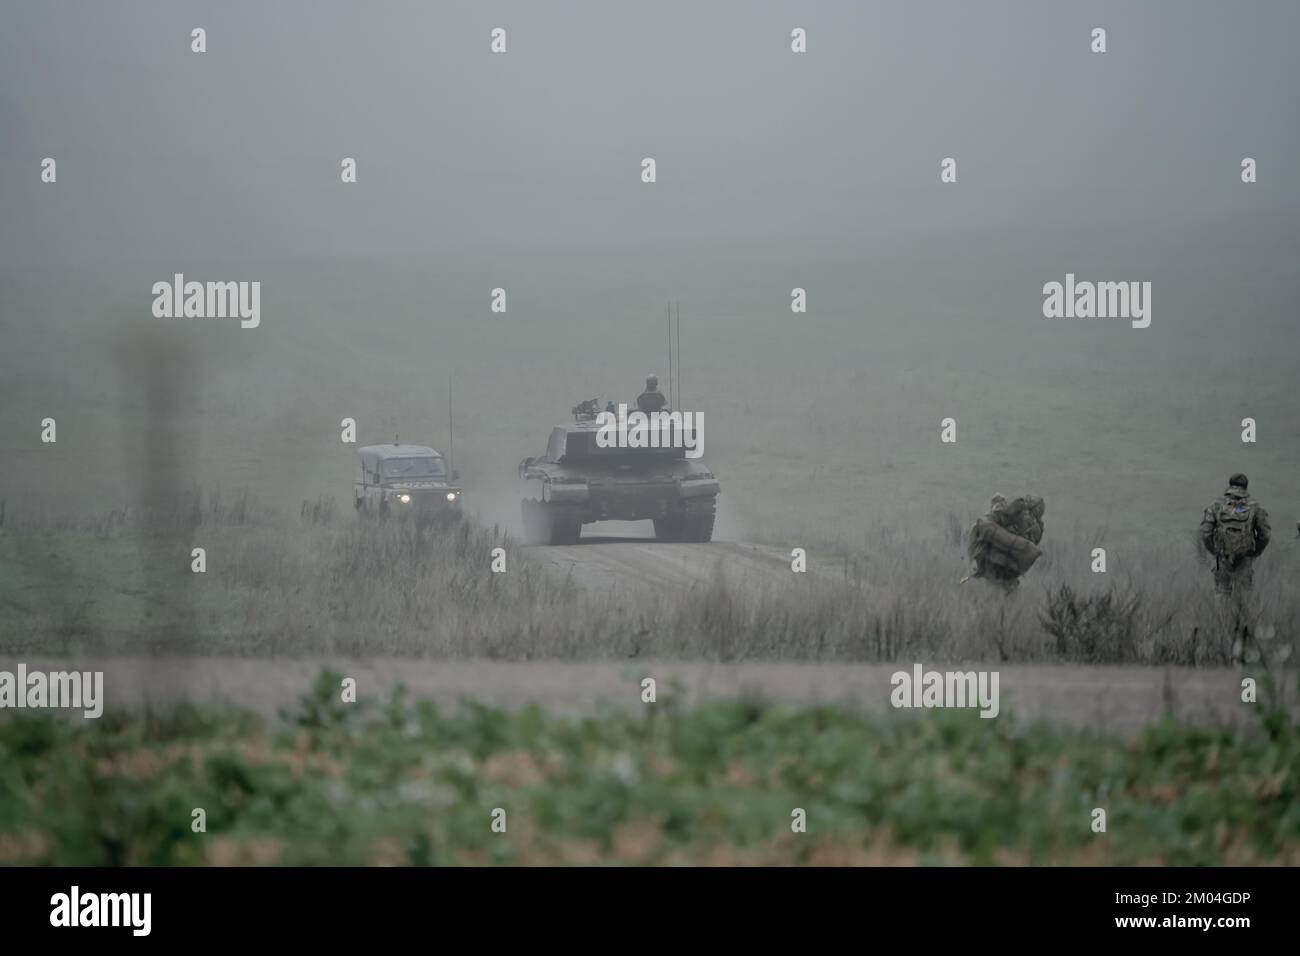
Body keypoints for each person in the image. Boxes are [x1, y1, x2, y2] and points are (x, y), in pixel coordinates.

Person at [1199, 473, 1270, 596]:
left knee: (1222, 593)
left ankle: (1223, 614)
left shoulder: (1217, 505)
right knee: (1244, 593)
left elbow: (1205, 532)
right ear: (1246, 487)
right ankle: (1242, 614)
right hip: (1246, 553)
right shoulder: (1254, 506)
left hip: (1223, 554)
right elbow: (1265, 534)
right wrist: (1255, 551)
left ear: (1230, 485)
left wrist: (1214, 550)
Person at [965, 494, 1045, 591]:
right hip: (1013, 565)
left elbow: (1003, 515)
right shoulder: (1038, 529)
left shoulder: (1023, 514)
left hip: (998, 557)